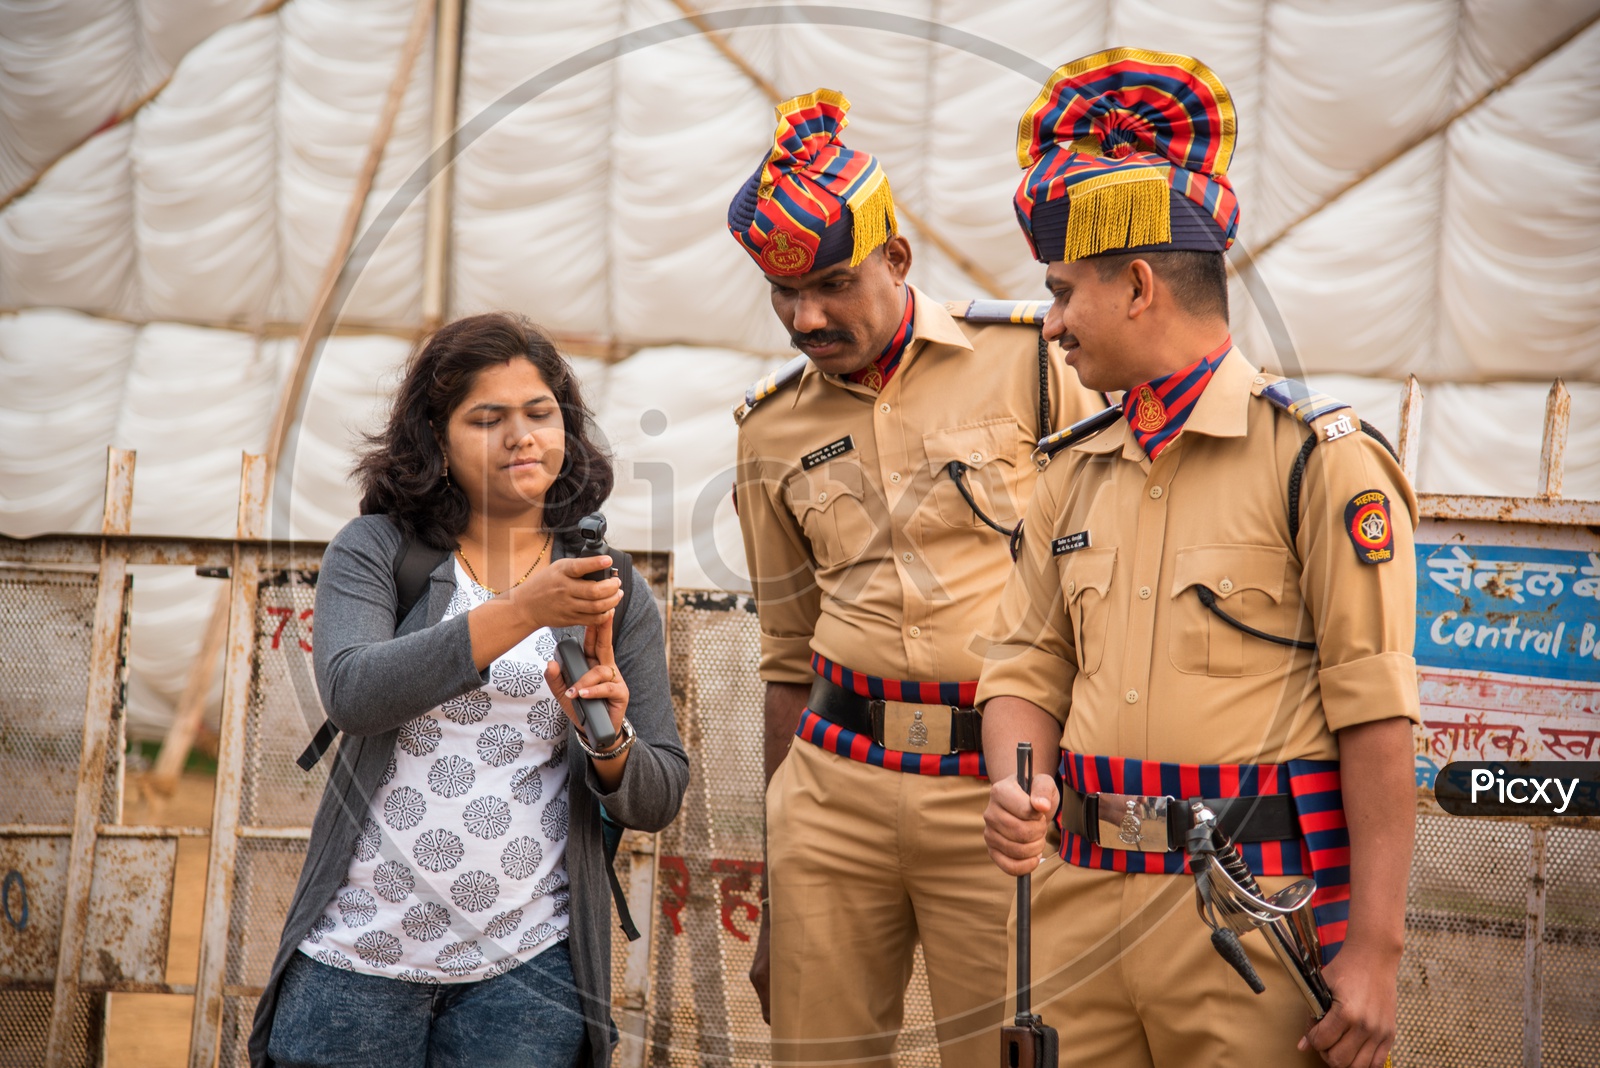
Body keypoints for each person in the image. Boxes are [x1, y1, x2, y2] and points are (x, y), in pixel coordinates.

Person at [977, 49, 1417, 1068]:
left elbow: (1375, 710)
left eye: (1062, 293)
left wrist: (1377, 951)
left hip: (1250, 918)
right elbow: (1023, 670)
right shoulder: (1072, 470)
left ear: (1137, 286)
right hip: (1078, 909)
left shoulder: (1319, 460)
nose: (1050, 326)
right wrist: (1013, 784)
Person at [728, 88, 1103, 1066]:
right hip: (832, 795)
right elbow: (782, 657)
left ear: (896, 258)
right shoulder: (768, 430)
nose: (805, 317)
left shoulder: (1031, 364)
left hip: (1001, 793)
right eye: (782, 295)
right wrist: (778, 879)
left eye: (832, 285)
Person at [248, 313, 689, 1068]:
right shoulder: (379, 550)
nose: (521, 436)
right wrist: (523, 610)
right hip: (360, 955)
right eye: (487, 419)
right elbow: (353, 692)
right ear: (436, 440)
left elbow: (656, 796)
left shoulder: (611, 588)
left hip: (529, 971)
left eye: (540, 413)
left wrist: (608, 741)